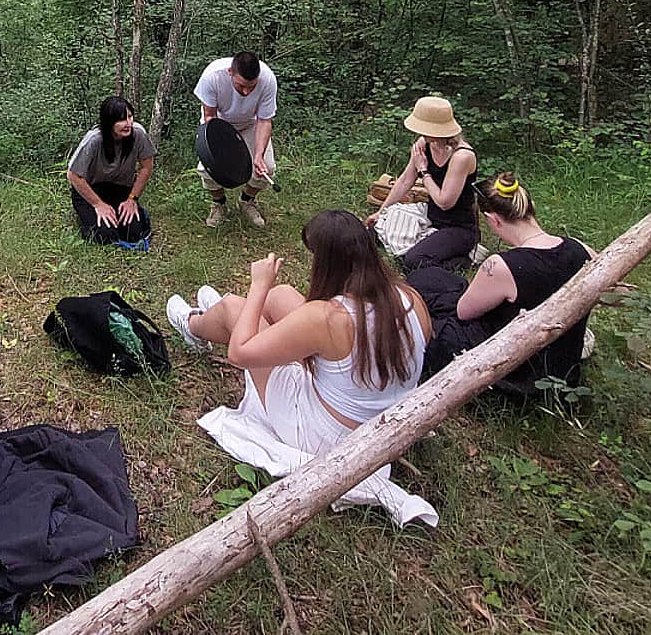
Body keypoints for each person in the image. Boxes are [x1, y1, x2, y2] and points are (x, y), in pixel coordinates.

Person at [166, 209, 431, 454]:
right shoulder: (410, 297)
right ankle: (223, 319)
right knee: (281, 296)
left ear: (328, 264)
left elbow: (238, 354)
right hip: (378, 418)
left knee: (233, 307)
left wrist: (259, 285)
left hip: (328, 435)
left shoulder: (327, 317)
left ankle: (194, 326)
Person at [407, 173, 597, 396]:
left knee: (426, 322)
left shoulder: (502, 266)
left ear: (494, 219)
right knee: (430, 279)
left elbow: (463, 312)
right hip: (562, 366)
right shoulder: (580, 248)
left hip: (515, 372)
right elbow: (613, 289)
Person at [366, 96, 479, 272]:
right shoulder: (424, 143)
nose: (420, 133)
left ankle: (463, 261)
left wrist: (424, 171)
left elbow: (444, 202)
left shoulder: (462, 156)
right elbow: (405, 180)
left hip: (458, 227)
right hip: (431, 216)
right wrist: (381, 212)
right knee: (372, 232)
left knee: (413, 261)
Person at [194, 51, 277, 228]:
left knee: (266, 168)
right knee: (208, 168)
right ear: (230, 72)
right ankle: (219, 204)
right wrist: (224, 150)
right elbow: (210, 116)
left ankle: (246, 200)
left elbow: (264, 120)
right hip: (218, 123)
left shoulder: (268, 79)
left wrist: (258, 155)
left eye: (251, 87)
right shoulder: (212, 77)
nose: (246, 92)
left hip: (250, 123)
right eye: (241, 86)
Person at [66, 96, 156, 246]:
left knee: (133, 232)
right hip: (91, 190)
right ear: (109, 122)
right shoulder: (94, 139)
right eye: (121, 119)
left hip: (120, 188)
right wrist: (98, 204)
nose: (128, 123)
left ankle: (127, 213)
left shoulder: (138, 133)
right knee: (104, 235)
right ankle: (87, 215)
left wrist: (132, 199)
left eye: (130, 117)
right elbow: (73, 175)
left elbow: (146, 166)